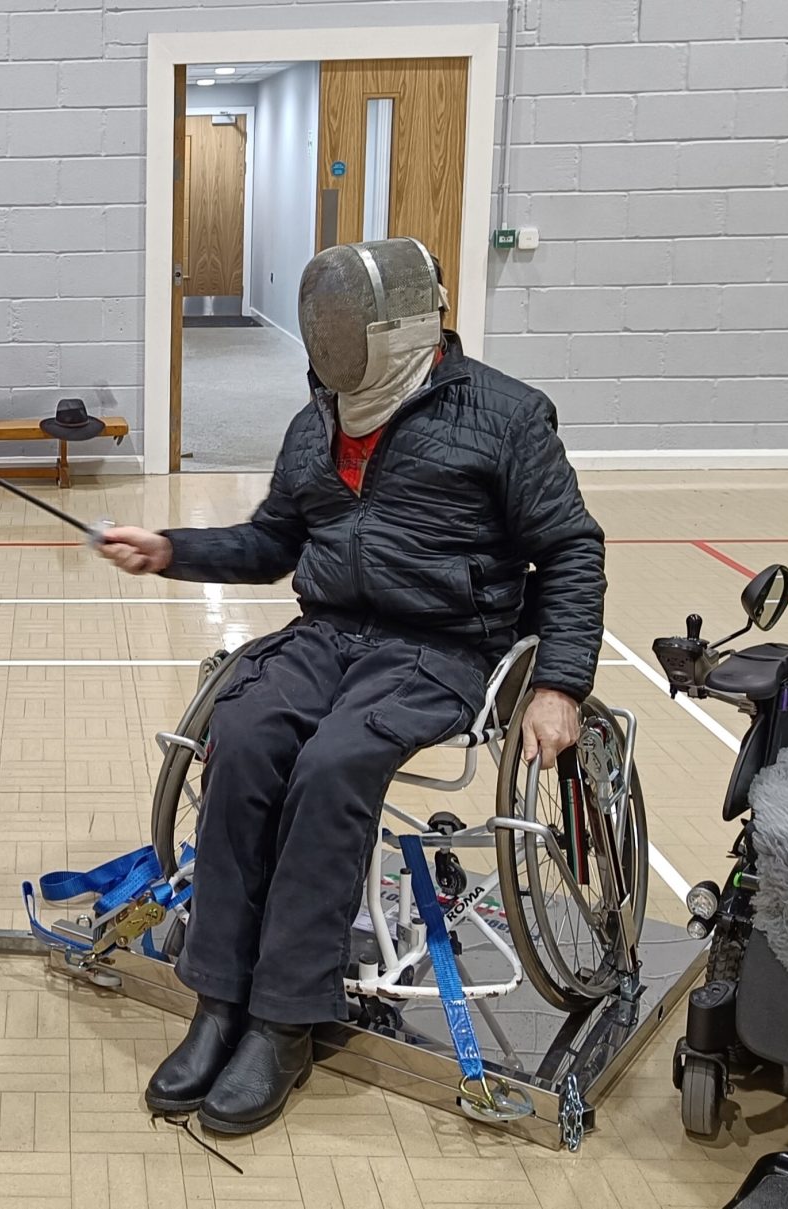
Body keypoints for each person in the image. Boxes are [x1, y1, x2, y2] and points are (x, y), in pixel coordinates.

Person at [98, 237, 606, 1135]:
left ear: (397, 326)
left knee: (334, 763)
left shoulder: (507, 415)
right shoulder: (318, 422)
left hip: (442, 647)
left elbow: (571, 550)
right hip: (329, 632)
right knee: (244, 734)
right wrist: (173, 549)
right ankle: (219, 998)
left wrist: (559, 681)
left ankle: (285, 1021)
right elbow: (273, 541)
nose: (327, 340)